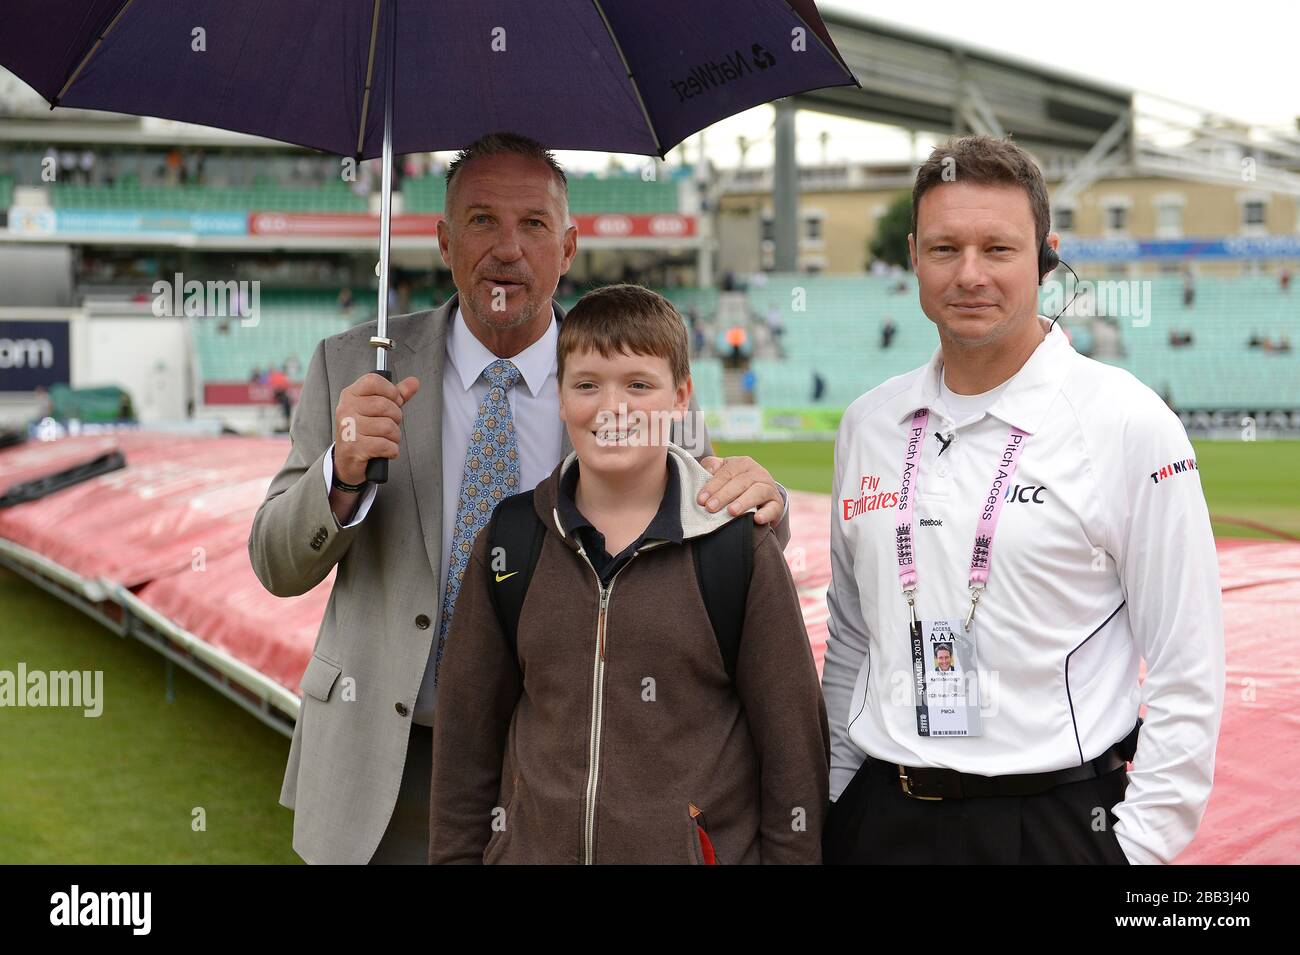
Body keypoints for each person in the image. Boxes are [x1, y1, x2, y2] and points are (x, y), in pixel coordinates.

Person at [247, 132, 792, 865]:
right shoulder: (350, 366)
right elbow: (277, 562)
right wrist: (340, 478)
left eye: (532, 224)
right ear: (443, 240)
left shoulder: (622, 384)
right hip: (382, 758)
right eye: (481, 221)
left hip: (558, 766)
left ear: (568, 247)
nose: (507, 248)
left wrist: (768, 506)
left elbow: (708, 529)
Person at [821, 135, 1224, 866]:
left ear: (1044, 253)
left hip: (1054, 824)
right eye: (945, 248)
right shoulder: (868, 424)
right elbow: (853, 637)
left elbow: (1187, 664)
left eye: (998, 249)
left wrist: (1131, 852)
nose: (969, 274)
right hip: (883, 818)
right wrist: (836, 796)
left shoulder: (1129, 423)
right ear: (913, 254)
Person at [427, 284, 827, 864]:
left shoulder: (736, 548)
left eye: (639, 385)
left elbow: (794, 752)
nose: (612, 408)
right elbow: (466, 746)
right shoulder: (511, 541)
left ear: (681, 397)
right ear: (560, 398)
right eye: (587, 385)